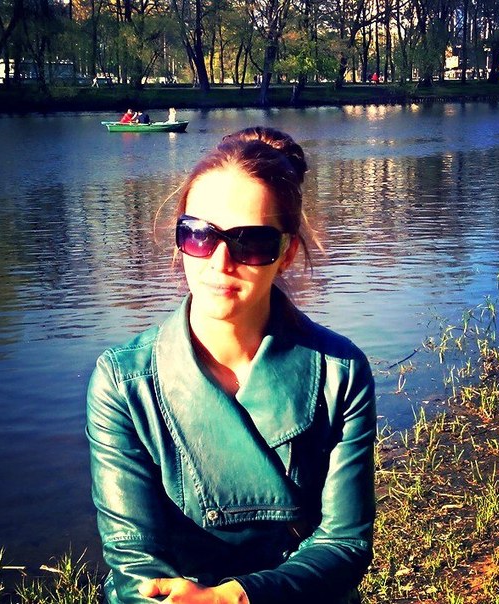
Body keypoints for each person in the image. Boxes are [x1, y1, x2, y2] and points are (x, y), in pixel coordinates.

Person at [87, 126, 376, 604]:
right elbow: (136, 565)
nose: (220, 261)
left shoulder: (341, 372)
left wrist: (236, 597)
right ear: (180, 238)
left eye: (251, 242)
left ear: (286, 254)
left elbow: (344, 544)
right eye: (199, 235)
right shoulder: (122, 382)